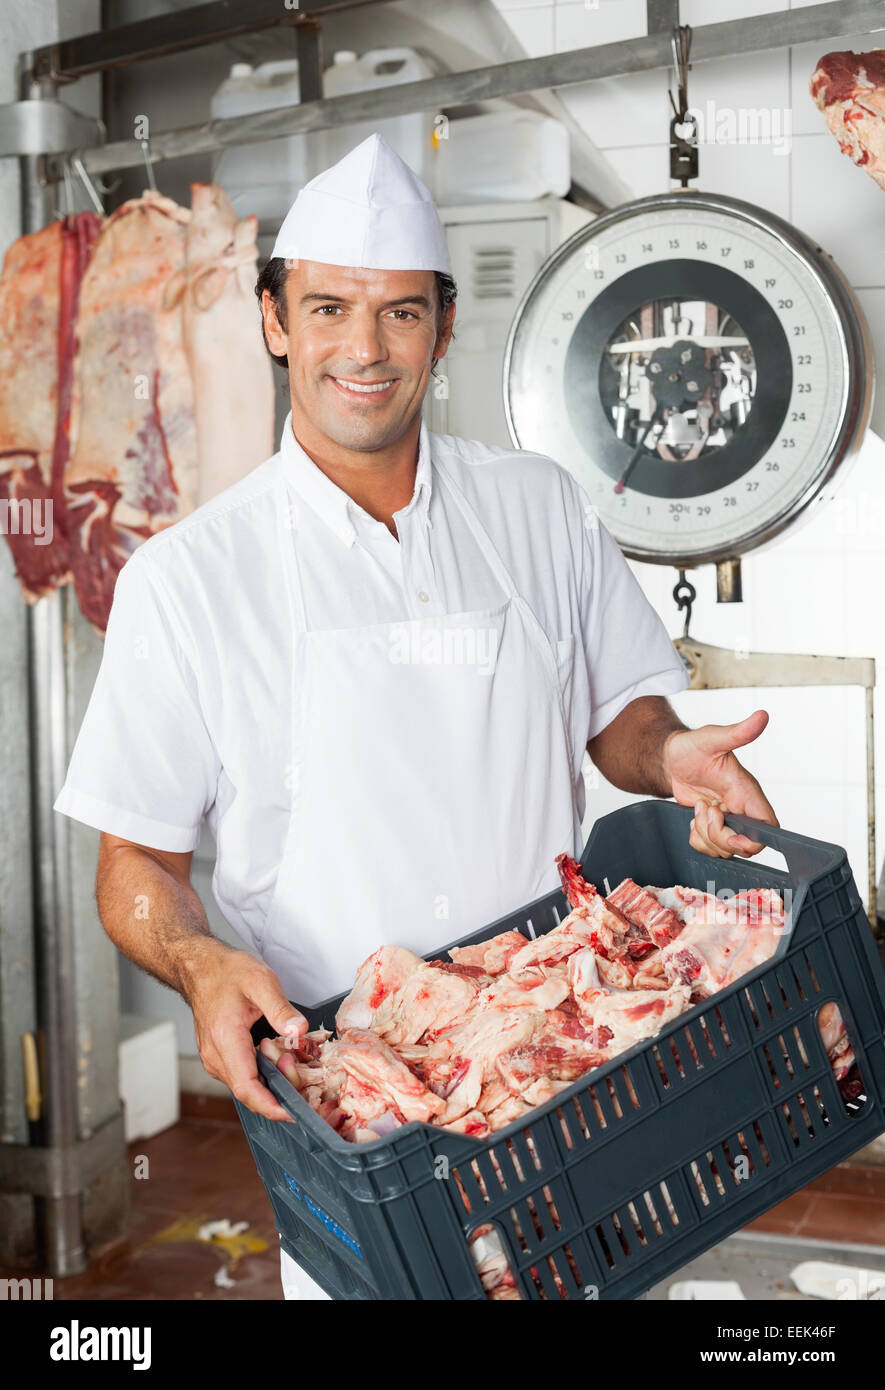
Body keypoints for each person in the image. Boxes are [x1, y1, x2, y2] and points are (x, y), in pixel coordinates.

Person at [54, 133, 777, 1302]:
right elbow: (134, 857)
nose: (365, 348)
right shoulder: (189, 580)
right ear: (277, 321)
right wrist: (196, 961)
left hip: (565, 1064)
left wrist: (673, 754)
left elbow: (617, 721)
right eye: (330, 307)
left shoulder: (536, 506)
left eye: (400, 314)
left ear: (442, 329)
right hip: (363, 1110)